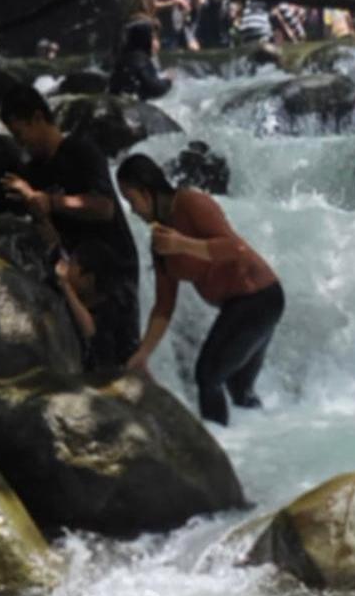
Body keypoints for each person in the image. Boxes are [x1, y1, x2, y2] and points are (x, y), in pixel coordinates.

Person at [116, 154, 284, 426]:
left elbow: (234, 248)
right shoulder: (160, 241)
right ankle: (270, 445)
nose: (132, 209)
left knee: (207, 375)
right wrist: (144, 353)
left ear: (147, 193)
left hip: (260, 299)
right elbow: (163, 306)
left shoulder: (191, 202)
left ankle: (217, 453)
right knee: (239, 391)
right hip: (238, 306)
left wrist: (183, 245)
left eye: (131, 199)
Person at [0, 86, 141, 369]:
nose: (20, 143)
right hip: (78, 275)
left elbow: (105, 208)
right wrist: (36, 212)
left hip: (114, 271)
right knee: (89, 359)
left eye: (19, 133)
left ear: (38, 118)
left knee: (120, 360)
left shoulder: (82, 152)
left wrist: (50, 201)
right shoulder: (33, 172)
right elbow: (45, 225)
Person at [56, 239, 136, 373]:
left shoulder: (114, 309)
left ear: (88, 280)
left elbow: (91, 330)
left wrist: (66, 286)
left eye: (72, 264)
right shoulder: (85, 295)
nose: (67, 267)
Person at [109, 0, 172, 100]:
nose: (158, 43)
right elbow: (154, 88)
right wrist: (168, 81)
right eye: (155, 38)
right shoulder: (146, 27)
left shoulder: (123, 26)